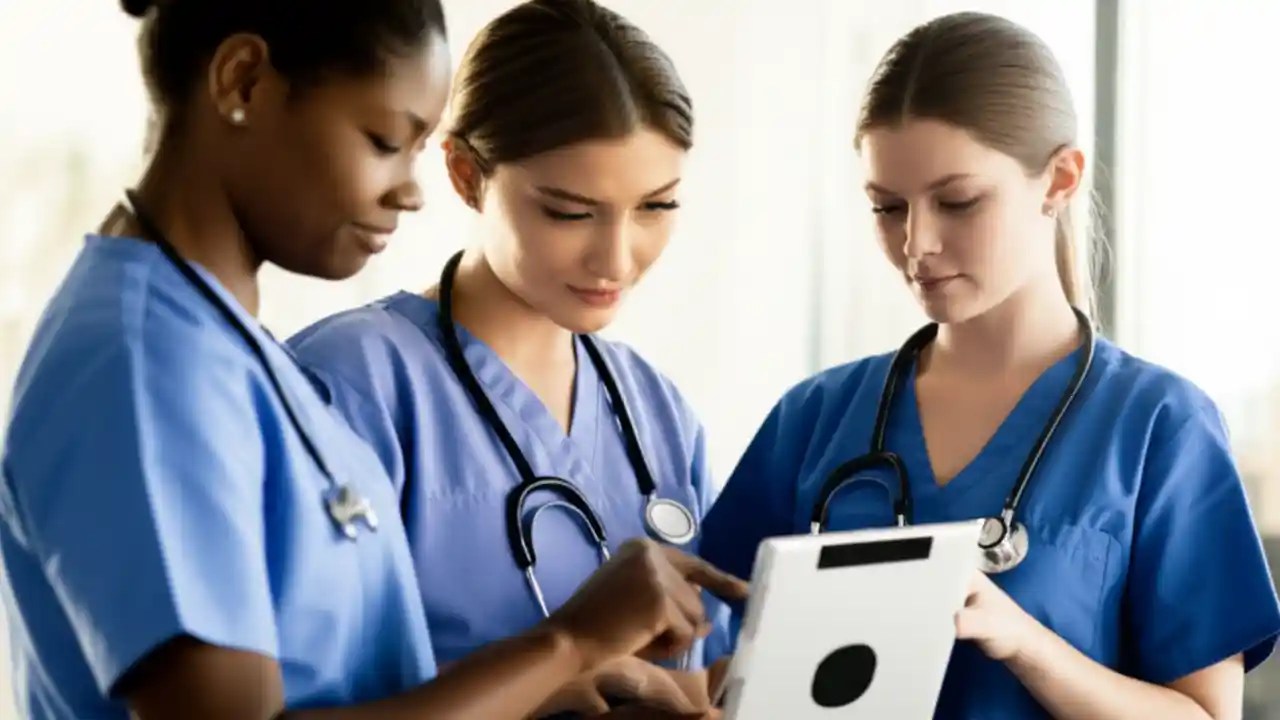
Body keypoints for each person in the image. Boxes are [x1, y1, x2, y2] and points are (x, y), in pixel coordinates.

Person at [0, 1, 746, 719]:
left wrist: (564, 687)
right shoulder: (147, 366)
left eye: (658, 204)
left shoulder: (225, 354)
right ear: (244, 82)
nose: (410, 191)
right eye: (385, 141)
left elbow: (364, 681)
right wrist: (565, 645)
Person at [698, 11, 1280, 720]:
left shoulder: (1160, 425)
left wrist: (1024, 643)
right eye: (888, 207)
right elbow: (718, 665)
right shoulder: (813, 418)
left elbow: (1207, 716)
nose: (917, 243)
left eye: (958, 202)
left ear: (1060, 180)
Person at [287, 0, 728, 711]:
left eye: (657, 206)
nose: (617, 258)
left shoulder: (658, 414)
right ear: (465, 176)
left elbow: (713, 671)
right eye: (570, 212)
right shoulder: (349, 387)